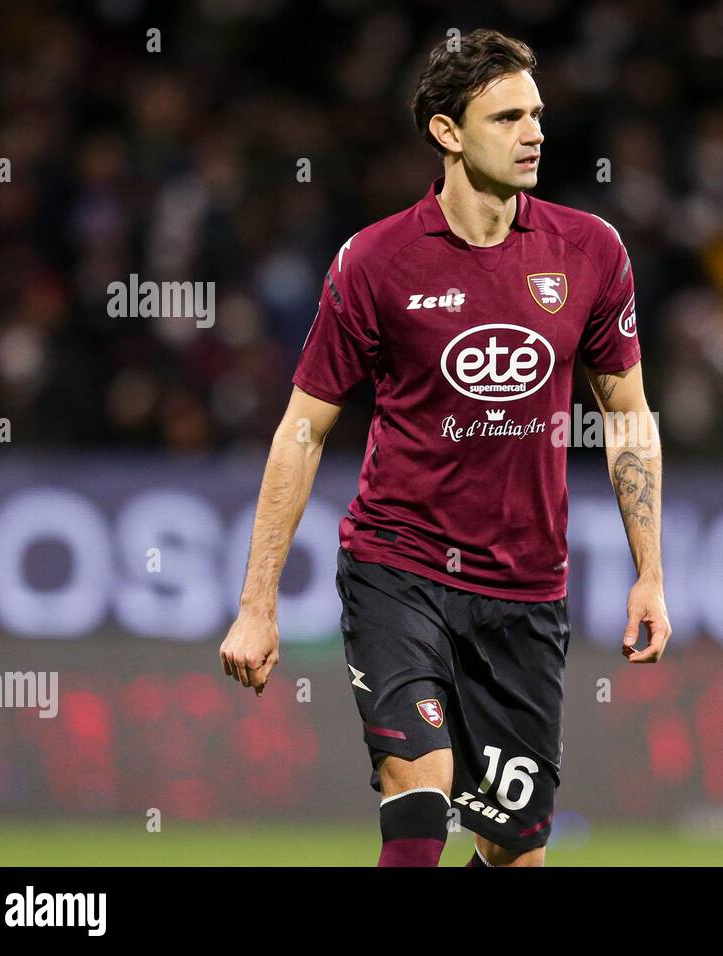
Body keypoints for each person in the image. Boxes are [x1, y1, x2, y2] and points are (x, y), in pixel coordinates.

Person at [218, 28, 671, 868]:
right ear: (448, 133)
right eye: (507, 117)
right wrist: (258, 602)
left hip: (527, 593)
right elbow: (303, 428)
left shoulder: (592, 253)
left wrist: (650, 570)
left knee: (514, 856)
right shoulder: (377, 262)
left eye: (536, 113)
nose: (534, 132)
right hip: (402, 568)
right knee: (419, 796)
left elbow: (629, 416)